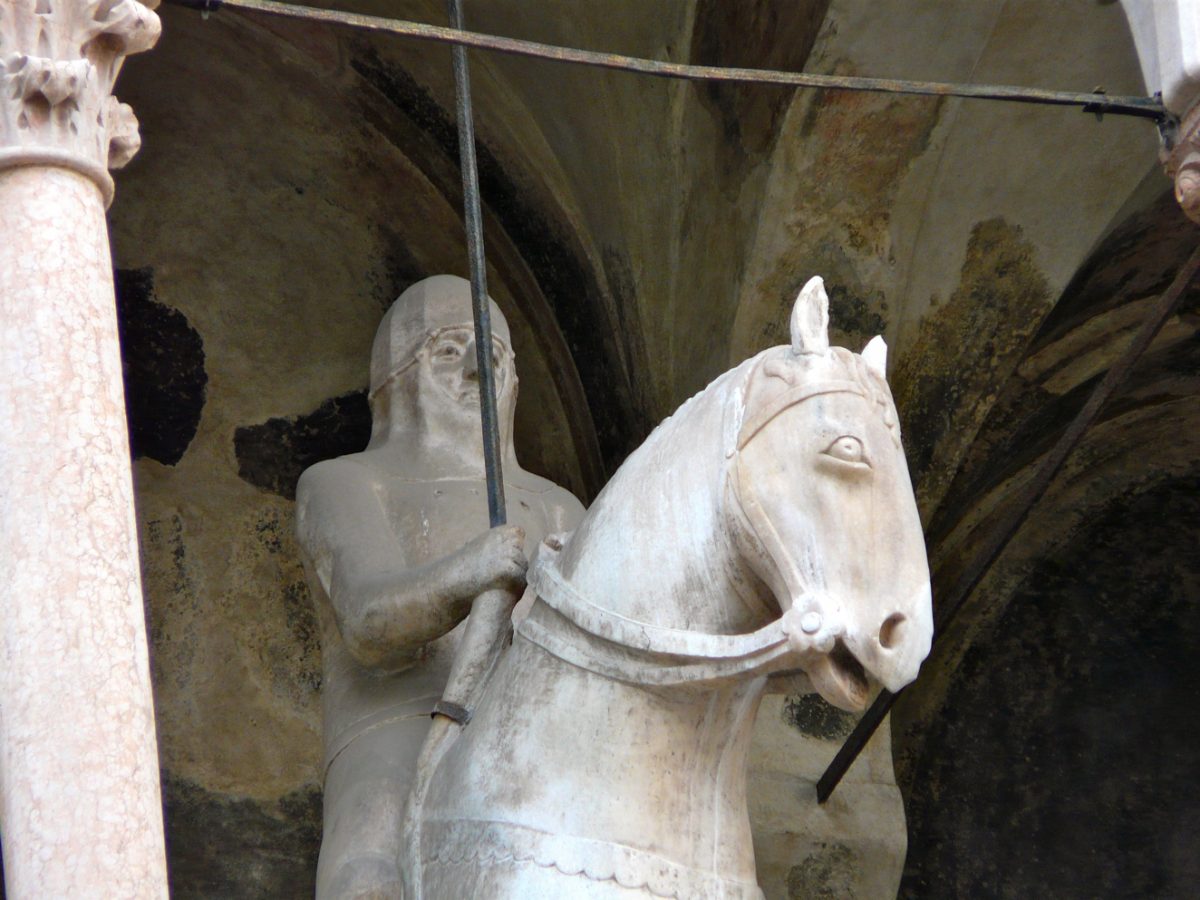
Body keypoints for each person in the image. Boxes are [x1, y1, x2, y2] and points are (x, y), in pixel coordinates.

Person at [295, 275, 586, 899]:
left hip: (536, 736)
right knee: (371, 875)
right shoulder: (346, 483)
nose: (480, 371)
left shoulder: (558, 506)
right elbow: (370, 622)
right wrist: (469, 570)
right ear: (395, 380)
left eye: (497, 356)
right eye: (450, 350)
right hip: (398, 728)